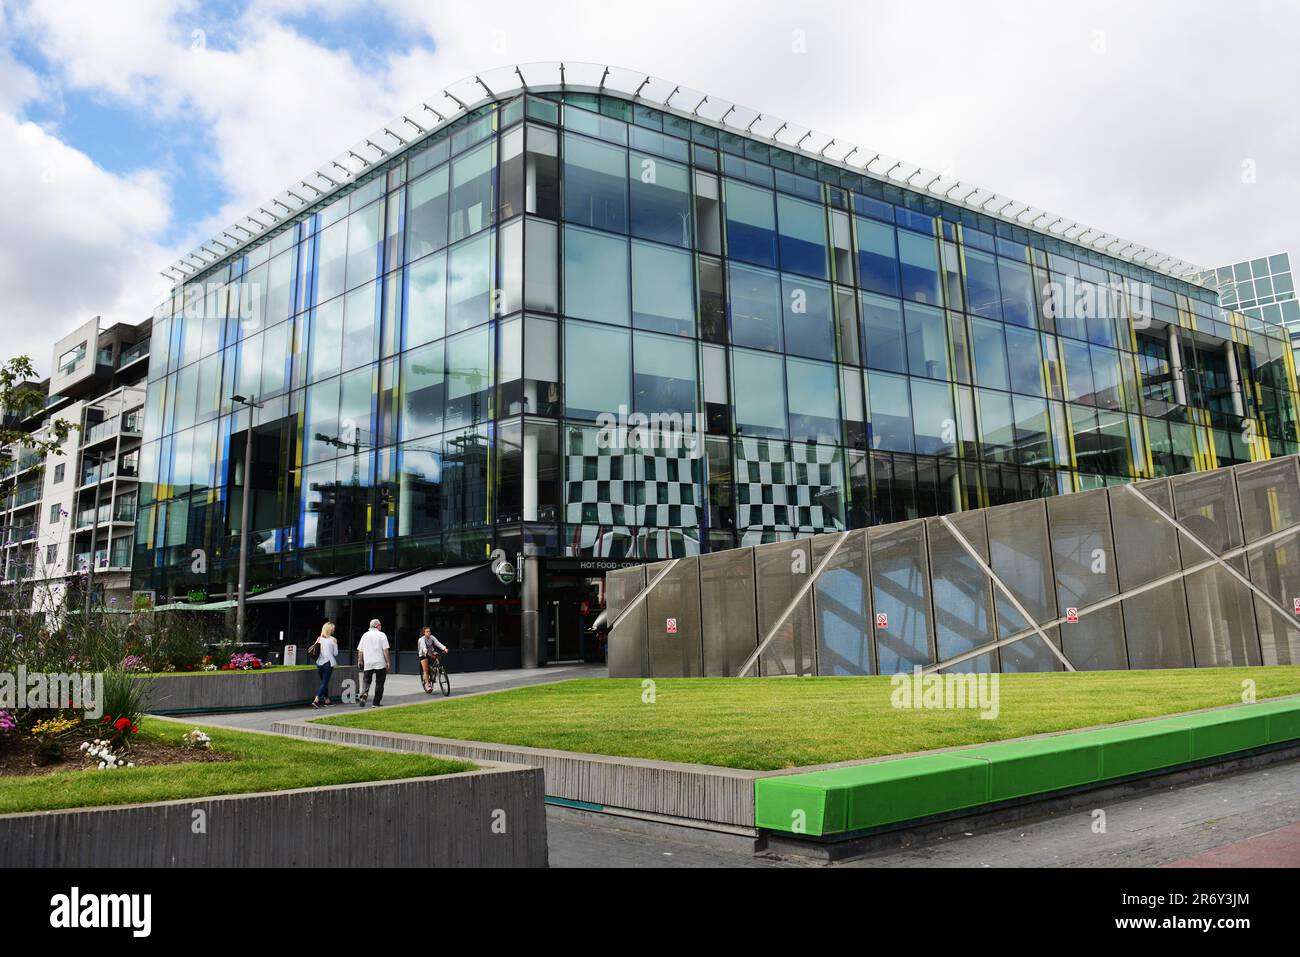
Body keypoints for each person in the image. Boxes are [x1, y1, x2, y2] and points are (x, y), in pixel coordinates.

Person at [356, 619, 390, 707]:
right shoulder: (382, 635)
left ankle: (364, 693)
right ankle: (376, 703)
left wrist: (360, 660)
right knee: (379, 682)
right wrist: (388, 662)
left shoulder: (365, 635)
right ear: (376, 625)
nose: (381, 626)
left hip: (368, 662)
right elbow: (385, 650)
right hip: (380, 662)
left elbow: (360, 650)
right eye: (380, 625)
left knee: (366, 680)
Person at [311, 621, 339, 708]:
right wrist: (335, 644)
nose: (334, 630)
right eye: (333, 629)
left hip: (319, 663)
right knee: (324, 682)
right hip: (328, 663)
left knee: (324, 682)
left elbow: (314, 650)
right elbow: (335, 653)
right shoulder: (333, 639)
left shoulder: (319, 639)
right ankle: (316, 700)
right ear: (330, 630)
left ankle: (327, 700)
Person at [417, 626, 449, 692]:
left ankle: (435, 669)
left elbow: (437, 643)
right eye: (427, 631)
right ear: (424, 633)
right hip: (423, 654)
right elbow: (423, 647)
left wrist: (444, 648)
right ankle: (427, 684)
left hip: (431, 652)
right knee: (425, 670)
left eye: (429, 631)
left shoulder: (432, 637)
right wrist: (426, 653)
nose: (429, 633)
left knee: (438, 656)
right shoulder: (421, 639)